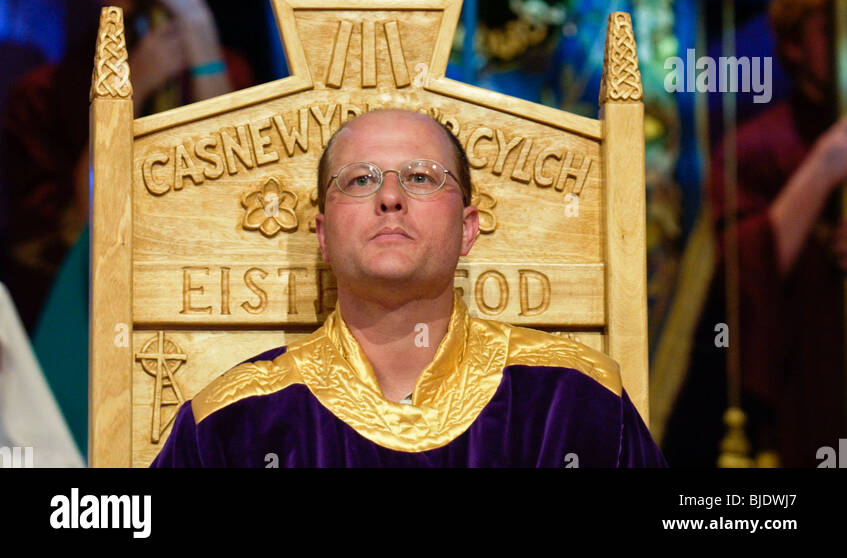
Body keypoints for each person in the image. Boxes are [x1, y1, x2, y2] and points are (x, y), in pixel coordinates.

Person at [152, 106, 666, 467]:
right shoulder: (233, 421)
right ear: (324, 235)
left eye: (421, 178)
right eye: (359, 180)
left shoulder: (574, 400)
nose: (391, 197)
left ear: (468, 229)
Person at [0, 0, 252, 331]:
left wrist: (196, 22)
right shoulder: (40, 96)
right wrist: (131, 87)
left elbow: (238, 181)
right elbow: (71, 234)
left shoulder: (224, 66)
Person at [663, 0, 847, 467]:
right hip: (804, 388)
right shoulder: (755, 147)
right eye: (833, 28)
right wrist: (826, 165)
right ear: (792, 45)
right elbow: (746, 275)